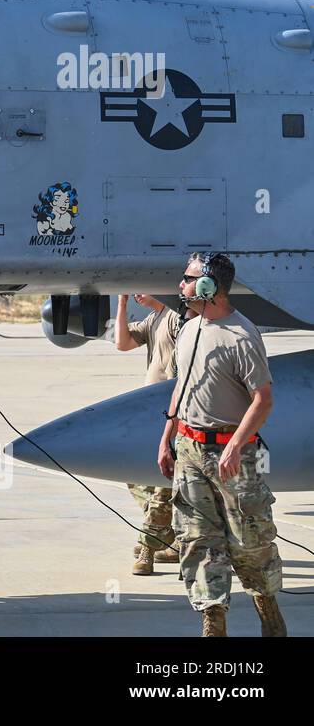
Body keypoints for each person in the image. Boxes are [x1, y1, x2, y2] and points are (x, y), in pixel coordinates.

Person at [156, 252, 284, 637]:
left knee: (249, 543)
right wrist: (167, 439)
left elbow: (263, 398)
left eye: (188, 278)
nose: (181, 284)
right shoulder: (190, 329)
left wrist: (233, 447)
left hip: (237, 456)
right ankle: (214, 625)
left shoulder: (242, 335)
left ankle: (269, 615)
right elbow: (182, 385)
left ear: (211, 286)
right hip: (190, 450)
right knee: (197, 541)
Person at [114, 293, 184, 575]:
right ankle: (169, 537)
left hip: (171, 410)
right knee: (134, 475)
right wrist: (121, 304)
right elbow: (122, 343)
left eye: (145, 287)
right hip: (151, 411)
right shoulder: (153, 319)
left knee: (161, 486)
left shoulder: (175, 318)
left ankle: (147, 549)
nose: (139, 292)